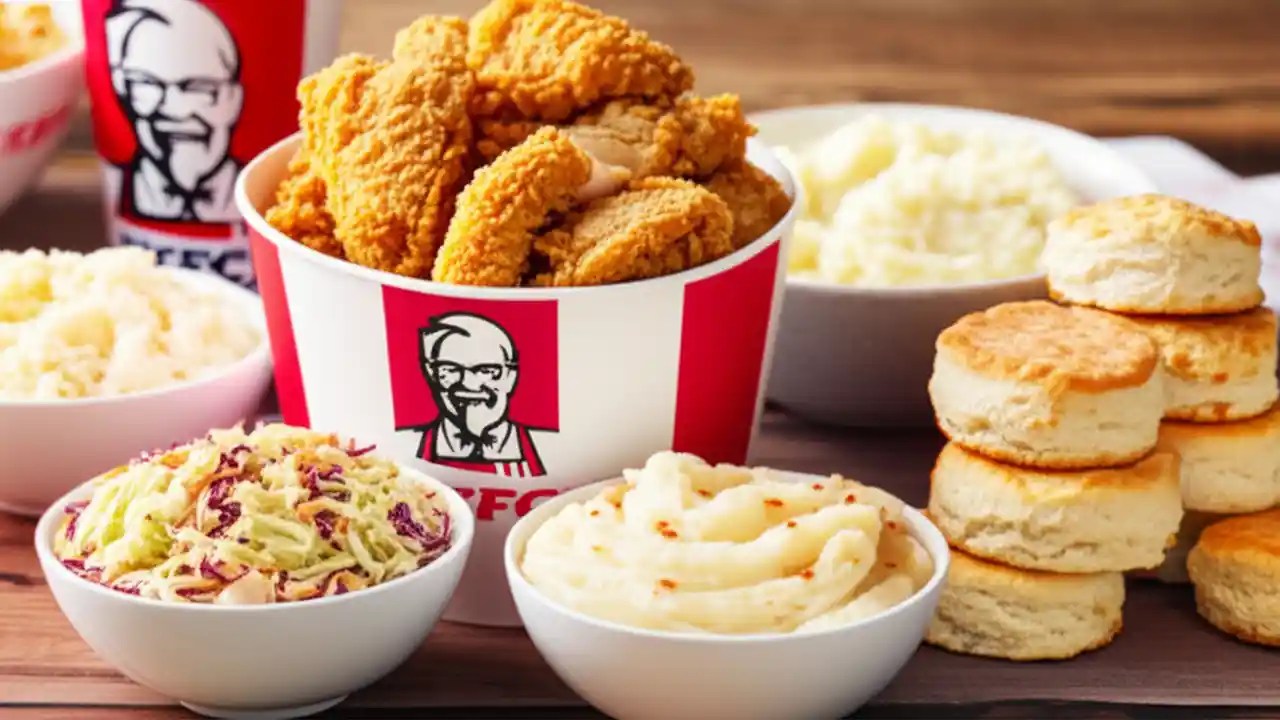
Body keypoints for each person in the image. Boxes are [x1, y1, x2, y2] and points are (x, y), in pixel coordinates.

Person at [105, 0, 243, 223]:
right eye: (147, 84)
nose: (174, 110)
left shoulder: (274, 193)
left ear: (233, 98)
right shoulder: (118, 187)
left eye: (199, 87)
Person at [414, 313, 547, 478]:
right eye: (450, 369)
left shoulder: (547, 446)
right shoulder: (407, 445)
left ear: (510, 377)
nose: (469, 384)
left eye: (486, 370)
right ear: (431, 374)